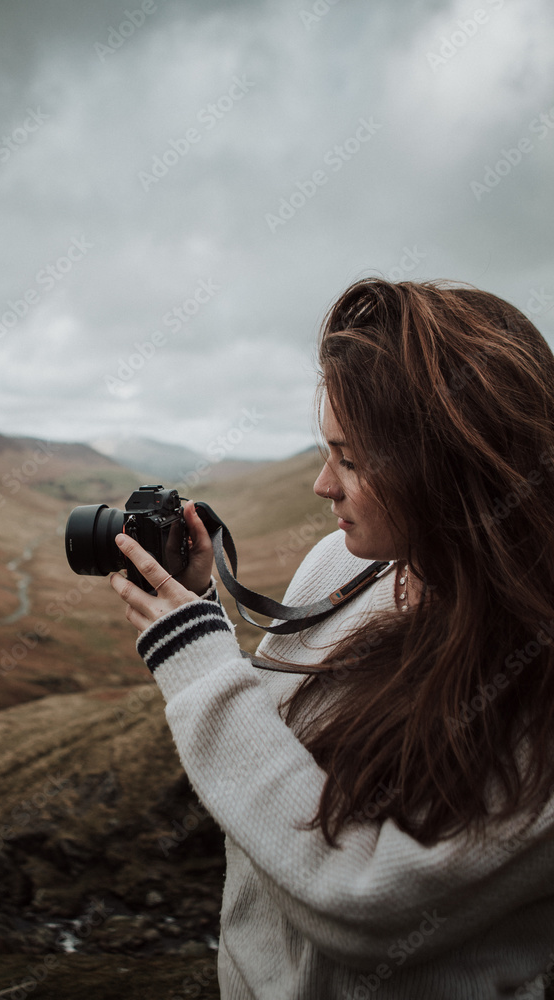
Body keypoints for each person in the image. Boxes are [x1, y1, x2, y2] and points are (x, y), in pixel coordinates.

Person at [110, 277, 554, 1000]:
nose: (323, 485)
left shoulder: (536, 680)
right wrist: (199, 607)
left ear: (448, 468)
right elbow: (273, 766)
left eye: (350, 460)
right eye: (326, 453)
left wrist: (195, 664)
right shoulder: (339, 567)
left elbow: (363, 903)